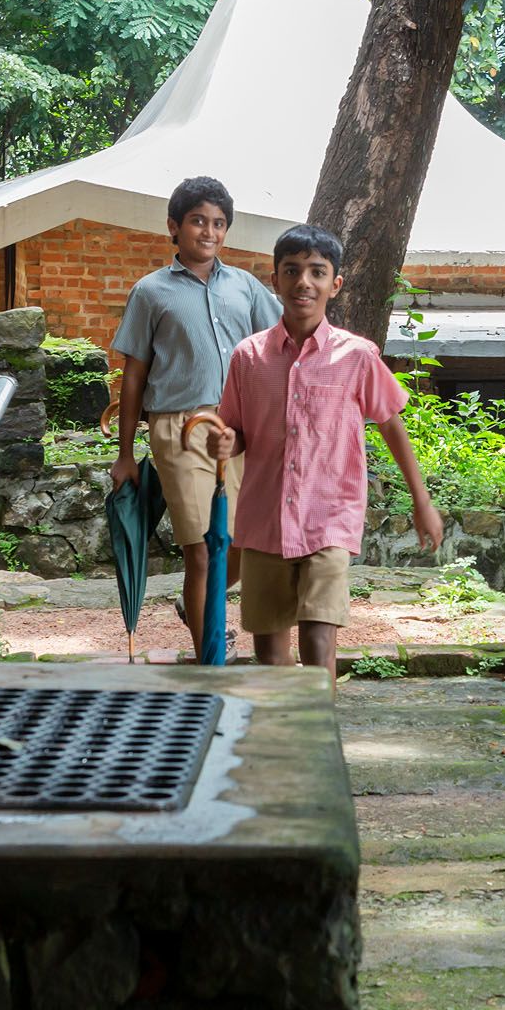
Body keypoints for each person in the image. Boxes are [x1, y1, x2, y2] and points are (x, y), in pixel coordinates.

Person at [207, 223, 442, 683]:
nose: (303, 282)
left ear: (335, 284)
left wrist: (422, 502)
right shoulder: (248, 357)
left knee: (319, 640)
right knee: (271, 656)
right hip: (264, 522)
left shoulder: (357, 356)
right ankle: (288, 744)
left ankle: (319, 748)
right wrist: (225, 441)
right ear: (274, 279)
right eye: (292, 271)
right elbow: (236, 431)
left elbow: (392, 424)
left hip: (328, 519)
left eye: (317, 272)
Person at [109, 176, 281, 658]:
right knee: (203, 549)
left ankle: (201, 607)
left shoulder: (245, 287)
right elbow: (134, 377)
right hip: (177, 429)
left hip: (238, 430)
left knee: (244, 541)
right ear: (175, 226)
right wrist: (125, 455)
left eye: (219, 223)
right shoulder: (151, 293)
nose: (209, 232)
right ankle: (211, 657)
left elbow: (276, 348)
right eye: (198, 221)